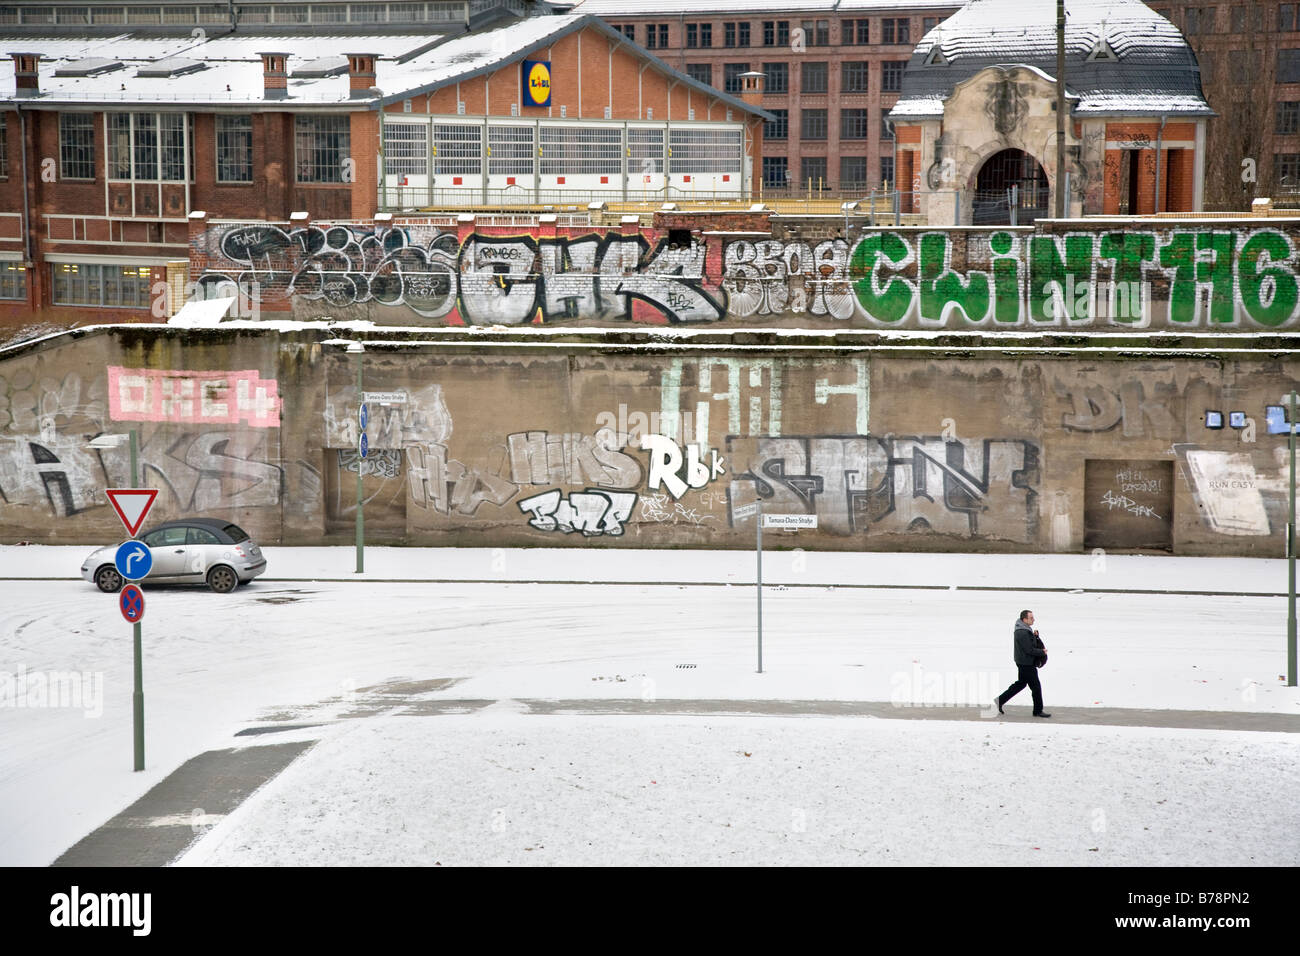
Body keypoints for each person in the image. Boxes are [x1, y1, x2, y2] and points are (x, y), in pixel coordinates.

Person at [994, 610, 1051, 717]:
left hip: (1023, 662)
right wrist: (1042, 652)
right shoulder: (1022, 632)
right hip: (1026, 663)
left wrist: (1035, 636)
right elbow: (1029, 649)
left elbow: (1029, 644)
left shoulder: (1024, 629)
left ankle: (999, 701)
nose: (1033, 619)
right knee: (1036, 687)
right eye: (1031, 618)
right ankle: (1038, 711)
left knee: (1020, 684)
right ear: (1024, 619)